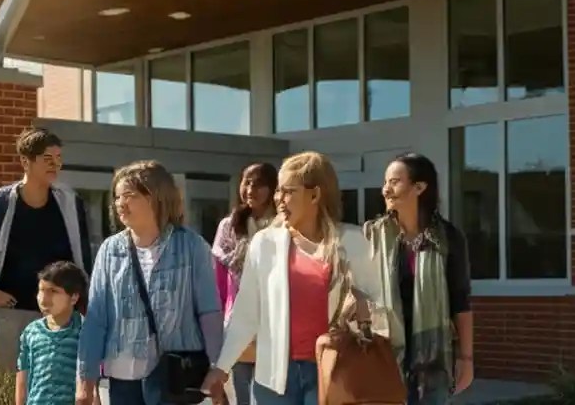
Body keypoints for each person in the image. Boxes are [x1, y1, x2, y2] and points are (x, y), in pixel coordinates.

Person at [202, 152, 388, 405]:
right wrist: (221, 367)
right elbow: (246, 313)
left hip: (333, 371)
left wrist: (362, 309)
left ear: (315, 194)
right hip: (274, 378)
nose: (279, 199)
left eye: (289, 192)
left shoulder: (353, 242)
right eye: (279, 191)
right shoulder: (265, 242)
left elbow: (380, 312)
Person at [76, 161, 223, 405]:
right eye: (117, 197)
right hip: (123, 378)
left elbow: (209, 314)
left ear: (156, 197)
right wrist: (85, 382)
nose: (120, 204)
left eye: (130, 196)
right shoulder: (110, 250)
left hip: (176, 376)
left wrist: (218, 369)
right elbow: (96, 319)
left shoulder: (192, 247)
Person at [0, 127, 92, 373]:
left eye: (59, 158)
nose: (55, 165)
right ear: (25, 162)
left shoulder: (70, 202)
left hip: (60, 313)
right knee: (12, 387)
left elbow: (82, 254)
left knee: (56, 385)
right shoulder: (2, 202)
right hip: (13, 313)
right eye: (48, 159)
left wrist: (85, 300)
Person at [364, 153, 474, 405]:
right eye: (385, 182)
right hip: (385, 357)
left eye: (394, 182)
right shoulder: (373, 236)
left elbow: (460, 301)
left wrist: (466, 358)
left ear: (419, 187)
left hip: (432, 360)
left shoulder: (448, 238)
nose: (385, 190)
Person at [210, 162, 278, 405]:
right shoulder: (229, 226)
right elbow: (218, 280)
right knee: (241, 392)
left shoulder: (282, 227)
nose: (250, 189)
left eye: (258, 184)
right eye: (246, 182)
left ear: (273, 189)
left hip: (273, 323)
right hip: (237, 320)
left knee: (268, 394)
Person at [16, 260, 89, 405]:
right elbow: (22, 379)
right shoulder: (31, 332)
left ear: (74, 297)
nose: (44, 299)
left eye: (53, 291)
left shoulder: (84, 331)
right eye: (41, 290)